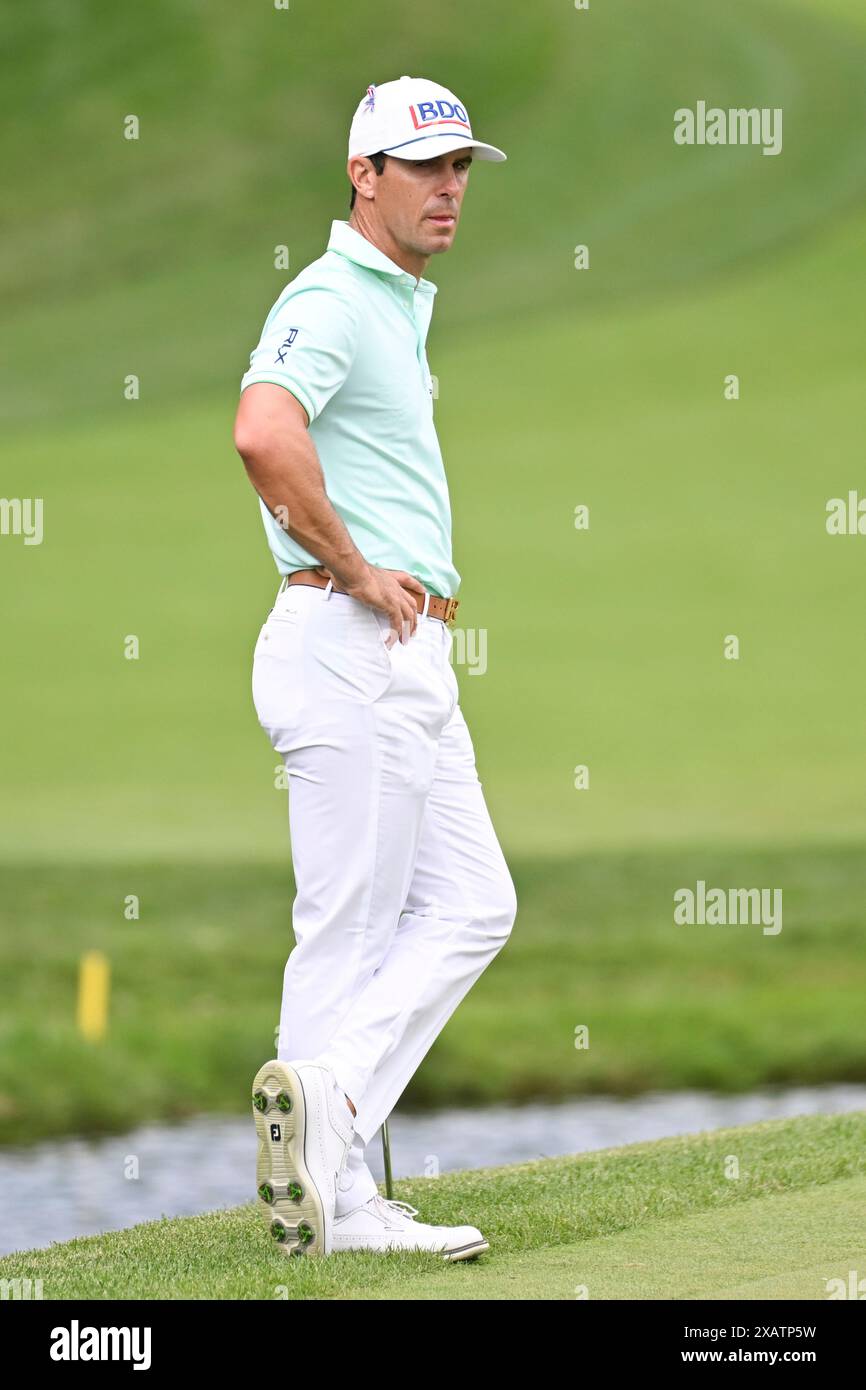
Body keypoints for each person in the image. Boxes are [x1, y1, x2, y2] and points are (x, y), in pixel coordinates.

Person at [234, 75, 517, 1260]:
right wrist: (354, 566)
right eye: (426, 167)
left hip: (400, 655)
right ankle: (332, 1186)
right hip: (348, 641)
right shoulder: (336, 293)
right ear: (364, 175)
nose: (450, 187)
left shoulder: (396, 298)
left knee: (470, 903)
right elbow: (263, 429)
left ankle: (329, 1143)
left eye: (460, 167)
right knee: (347, 929)